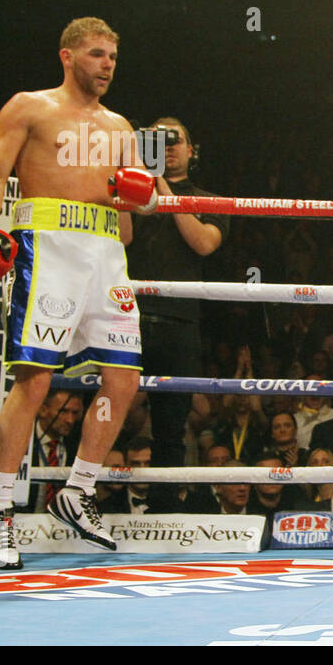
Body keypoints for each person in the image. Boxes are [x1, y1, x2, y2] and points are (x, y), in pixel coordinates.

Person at [0, 17, 158, 568]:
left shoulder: (123, 126)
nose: (106, 65)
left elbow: (132, 214)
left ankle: (77, 491)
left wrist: (142, 200)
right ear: (68, 56)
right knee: (34, 380)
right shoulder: (28, 107)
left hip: (106, 255)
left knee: (124, 379)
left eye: (113, 58)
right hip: (47, 248)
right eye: (97, 55)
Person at [122, 117, 228, 470]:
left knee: (170, 426)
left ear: (190, 149)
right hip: (126, 316)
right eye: (156, 140)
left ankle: (162, 509)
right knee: (113, 413)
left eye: (174, 140)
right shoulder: (132, 192)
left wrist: (163, 187)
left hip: (178, 322)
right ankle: (90, 497)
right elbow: (122, 239)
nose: (166, 146)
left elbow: (203, 243)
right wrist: (131, 181)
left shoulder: (210, 199)